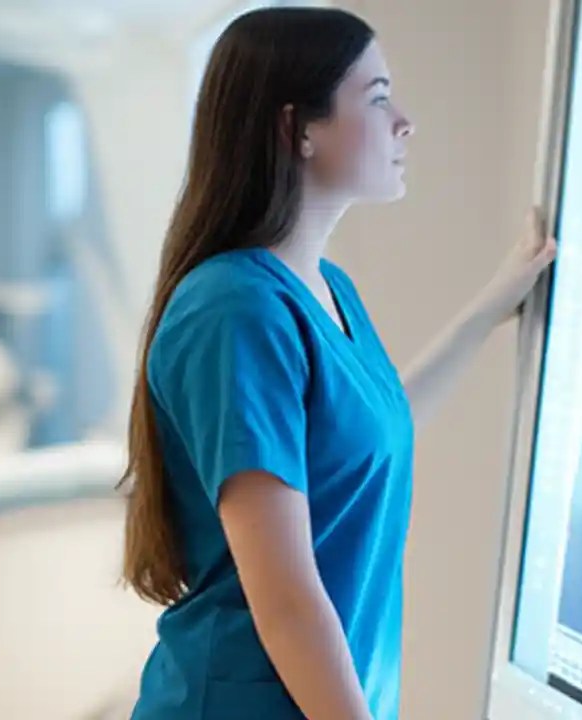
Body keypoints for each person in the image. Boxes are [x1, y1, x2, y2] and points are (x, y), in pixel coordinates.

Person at [122, 7, 556, 720]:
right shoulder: (235, 310)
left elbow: (366, 439)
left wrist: (492, 306)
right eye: (379, 97)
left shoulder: (327, 292)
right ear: (299, 129)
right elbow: (288, 600)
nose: (404, 122)